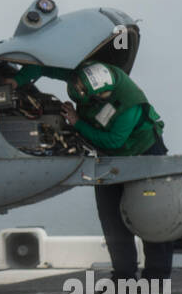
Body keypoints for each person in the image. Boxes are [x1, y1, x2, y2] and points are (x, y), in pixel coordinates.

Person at [9, 60, 172, 281]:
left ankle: (157, 278)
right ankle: (123, 276)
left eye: (82, 90)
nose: (76, 89)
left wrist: (77, 123)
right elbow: (42, 67)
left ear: (101, 94)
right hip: (109, 158)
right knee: (111, 216)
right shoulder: (86, 75)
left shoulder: (128, 104)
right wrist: (15, 81)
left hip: (144, 154)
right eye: (76, 83)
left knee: (151, 215)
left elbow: (114, 141)